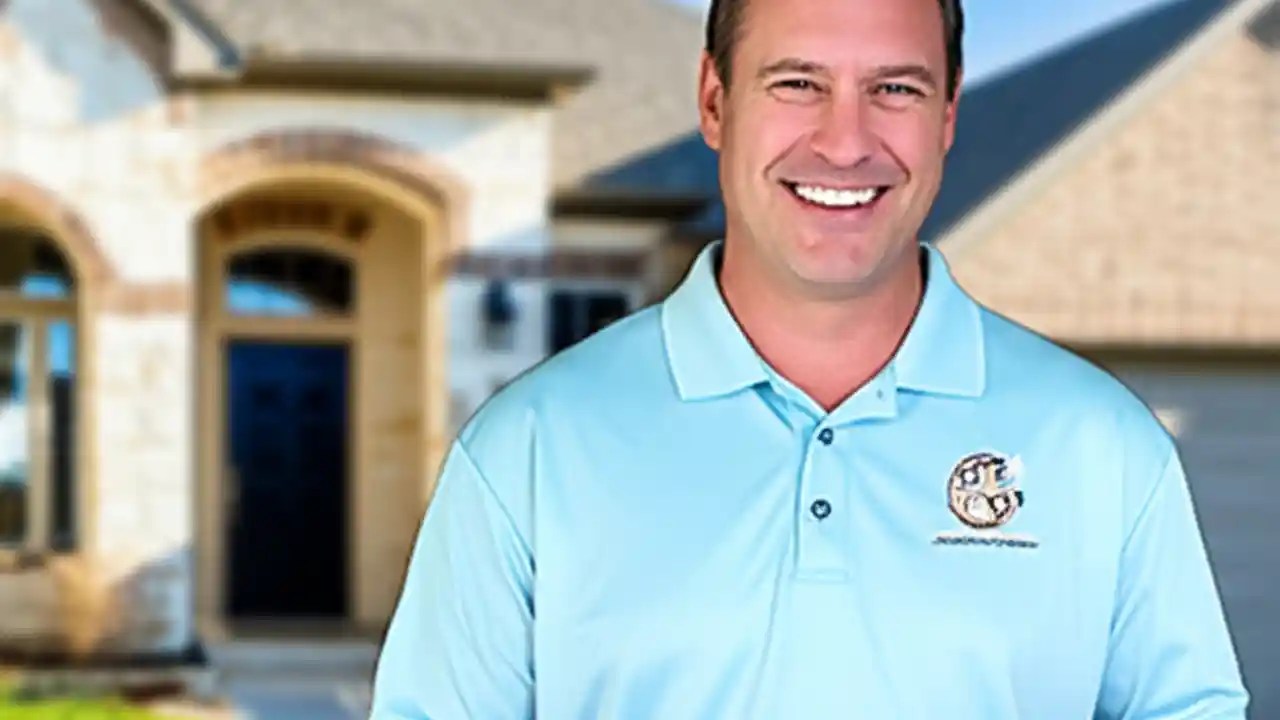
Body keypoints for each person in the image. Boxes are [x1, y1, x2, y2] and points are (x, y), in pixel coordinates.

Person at [369, 0, 1250, 716]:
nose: (845, 140)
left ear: (948, 116)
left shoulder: (1104, 449)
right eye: (798, 83)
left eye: (895, 89)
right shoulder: (526, 453)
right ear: (714, 103)